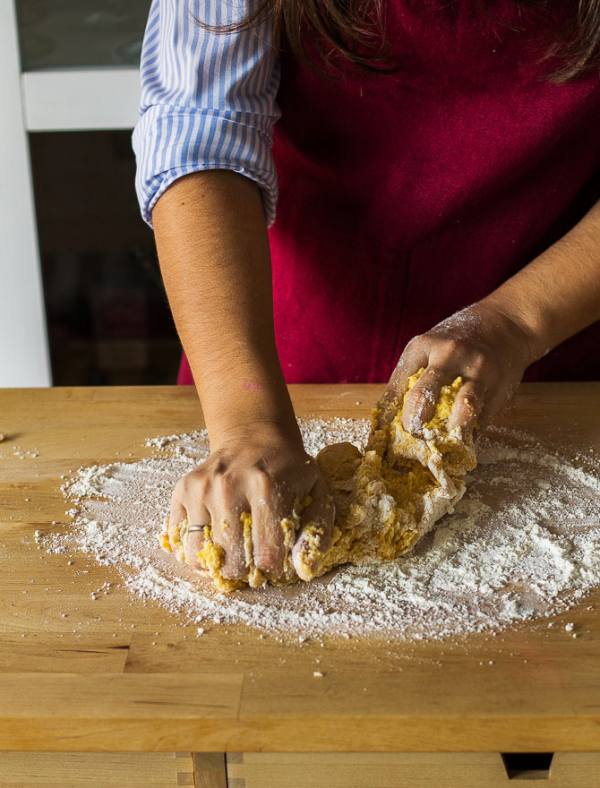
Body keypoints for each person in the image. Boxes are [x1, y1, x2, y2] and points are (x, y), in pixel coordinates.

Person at [133, 0, 600, 584]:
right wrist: (246, 420)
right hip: (272, 337)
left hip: (558, 342)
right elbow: (197, 129)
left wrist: (518, 322)